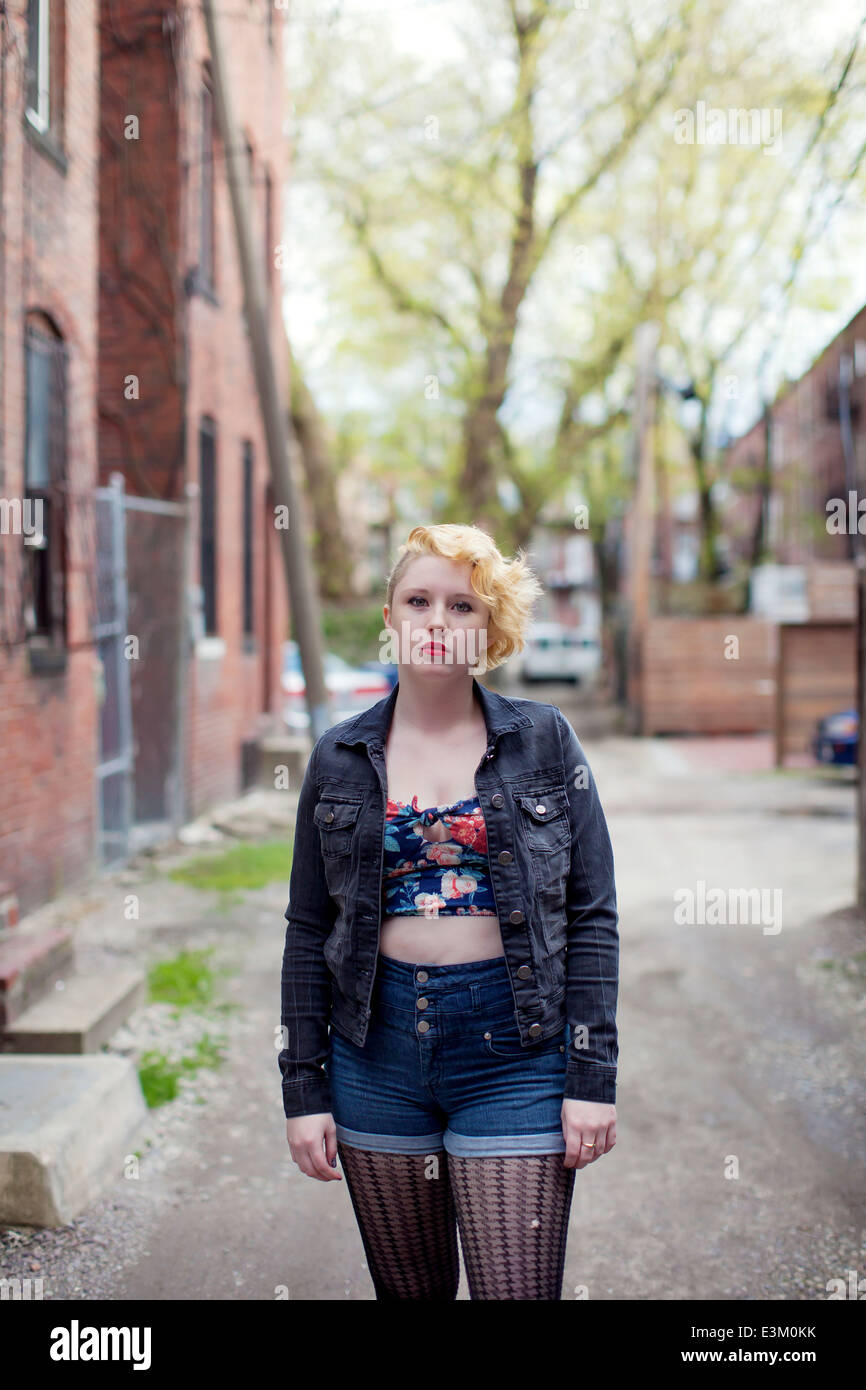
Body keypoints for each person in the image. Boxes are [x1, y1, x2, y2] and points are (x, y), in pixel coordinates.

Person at [279, 523, 619, 1300]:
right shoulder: (338, 757)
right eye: (418, 600)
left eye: (462, 605)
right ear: (391, 618)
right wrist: (304, 1088)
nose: (437, 621)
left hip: (518, 1051)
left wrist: (592, 1076)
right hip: (376, 1053)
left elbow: (592, 912)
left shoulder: (545, 742)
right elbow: (308, 930)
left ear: (488, 628)